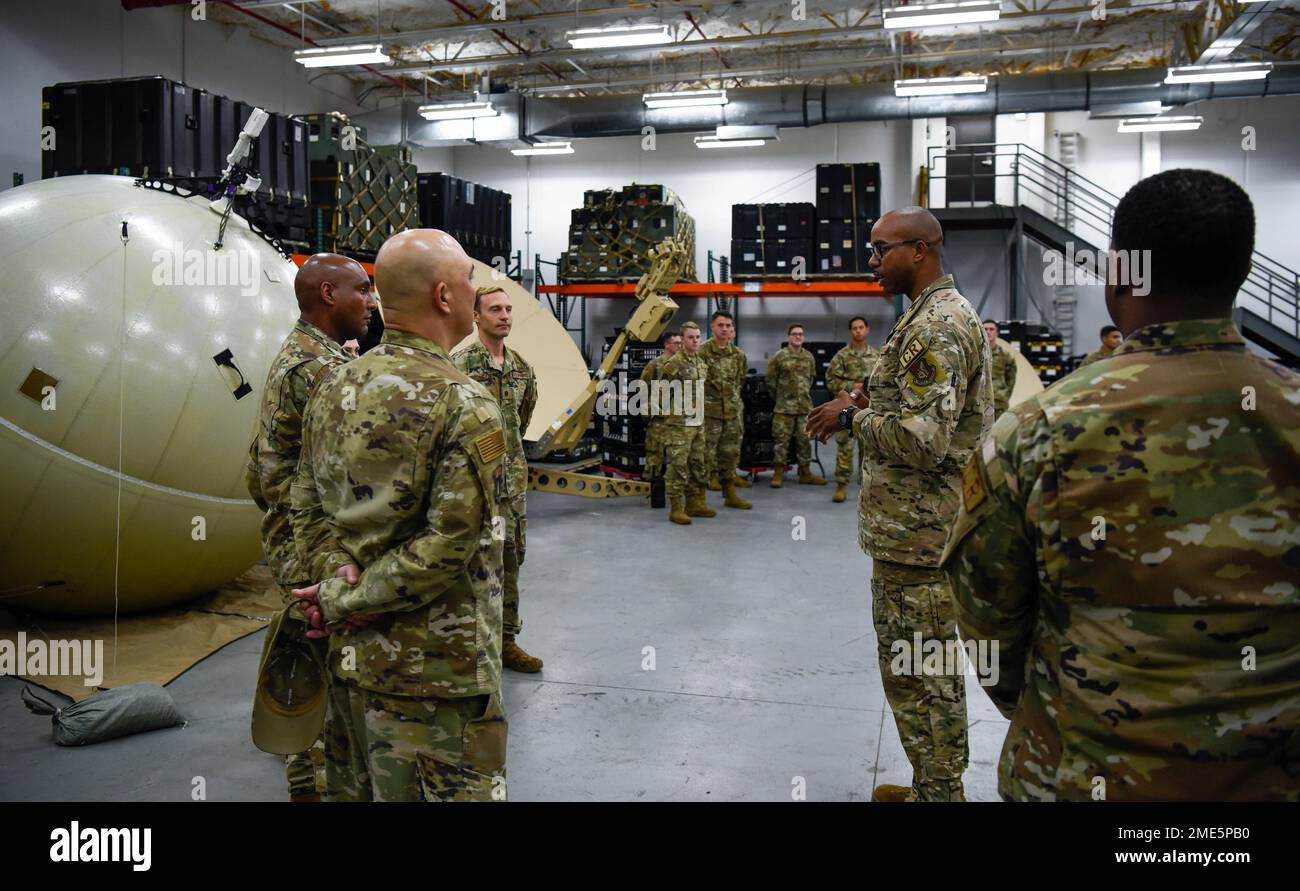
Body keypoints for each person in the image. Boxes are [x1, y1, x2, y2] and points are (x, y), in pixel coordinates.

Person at [940, 169, 1300, 802]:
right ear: (1240, 271)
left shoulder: (1037, 430)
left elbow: (988, 613)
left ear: (1120, 271)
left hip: (1085, 773)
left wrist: (1054, 705)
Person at [289, 229, 509, 802]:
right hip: (438, 676)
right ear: (444, 296)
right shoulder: (466, 403)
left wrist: (336, 579)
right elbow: (450, 545)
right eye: (467, 280)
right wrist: (347, 598)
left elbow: (304, 505)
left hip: (349, 662)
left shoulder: (333, 385)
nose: (473, 290)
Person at [807, 206, 993, 802]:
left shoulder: (936, 325)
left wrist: (853, 416)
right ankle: (931, 786)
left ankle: (941, 794)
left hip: (922, 541)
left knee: (923, 674)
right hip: (914, 535)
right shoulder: (924, 314)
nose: (871, 260)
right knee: (915, 668)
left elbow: (922, 437)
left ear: (919, 250)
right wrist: (863, 395)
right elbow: (909, 394)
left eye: (880, 249)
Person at [244, 252, 376, 802]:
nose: (371, 303)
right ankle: (313, 784)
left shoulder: (310, 356)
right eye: (362, 290)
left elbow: (263, 469)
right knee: (324, 663)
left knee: (318, 654)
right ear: (328, 295)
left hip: (294, 531)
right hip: (309, 539)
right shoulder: (318, 370)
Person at [454, 285, 542, 674]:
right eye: (495, 310)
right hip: (474, 489)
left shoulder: (522, 368)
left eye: (508, 309)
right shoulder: (458, 366)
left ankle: (506, 641)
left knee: (510, 561)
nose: (505, 315)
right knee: (471, 564)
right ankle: (470, 642)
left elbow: (520, 421)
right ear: (476, 317)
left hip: (512, 489)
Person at [697, 310, 752, 509]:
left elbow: (740, 380)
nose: (725, 329)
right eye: (721, 325)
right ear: (712, 328)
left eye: (728, 326)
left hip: (732, 414)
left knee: (730, 455)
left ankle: (730, 495)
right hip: (709, 415)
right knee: (704, 457)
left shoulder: (738, 355)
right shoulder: (701, 353)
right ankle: (699, 500)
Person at [659, 321, 713, 524]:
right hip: (679, 424)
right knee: (678, 465)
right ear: (682, 340)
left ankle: (694, 504)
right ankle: (675, 508)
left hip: (697, 421)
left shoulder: (700, 362)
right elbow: (661, 389)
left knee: (697, 463)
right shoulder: (675, 363)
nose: (696, 341)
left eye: (698, 337)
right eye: (691, 337)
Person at [825, 317, 880, 503]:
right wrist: (852, 385)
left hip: (869, 410)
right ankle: (841, 484)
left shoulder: (877, 356)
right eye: (854, 328)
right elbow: (831, 381)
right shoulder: (841, 356)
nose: (858, 331)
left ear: (867, 330)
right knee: (844, 448)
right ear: (851, 332)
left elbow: (884, 381)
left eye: (861, 327)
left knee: (869, 450)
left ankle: (867, 487)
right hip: (846, 409)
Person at [767, 323, 826, 488]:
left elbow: (811, 378)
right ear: (788, 337)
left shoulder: (809, 357)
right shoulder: (779, 356)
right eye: (794, 334)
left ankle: (805, 473)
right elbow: (770, 381)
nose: (798, 336)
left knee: (804, 441)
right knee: (781, 442)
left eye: (800, 334)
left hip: (804, 408)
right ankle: (778, 473)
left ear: (803, 337)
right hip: (784, 408)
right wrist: (780, 397)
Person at [639, 331, 681, 485]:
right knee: (654, 454)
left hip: (677, 420)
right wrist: (647, 411)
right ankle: (652, 486)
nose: (680, 346)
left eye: (681, 343)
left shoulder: (683, 365)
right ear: (667, 344)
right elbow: (642, 386)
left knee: (676, 456)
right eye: (676, 343)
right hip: (658, 419)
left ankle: (673, 488)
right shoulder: (655, 365)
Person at [982, 320, 1017, 416]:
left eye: (992, 329)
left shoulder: (1005, 356)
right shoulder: (975, 355)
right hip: (978, 403)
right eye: (985, 329)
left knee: (997, 430)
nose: (988, 332)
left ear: (997, 333)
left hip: (998, 403)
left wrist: (1004, 395)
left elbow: (1011, 378)